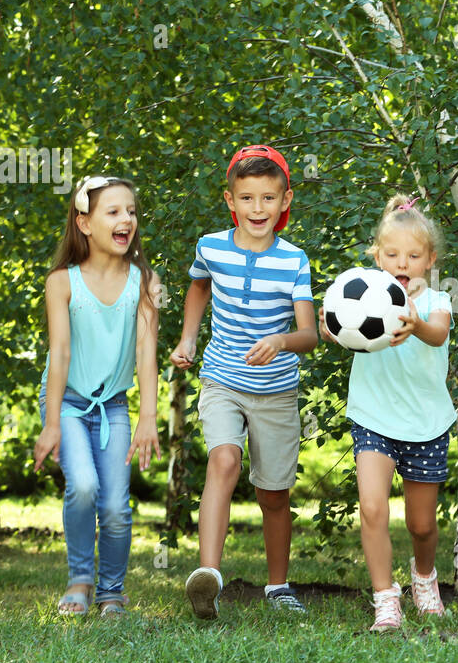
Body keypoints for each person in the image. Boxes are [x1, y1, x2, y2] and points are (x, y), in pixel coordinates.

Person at [171, 145, 318, 619]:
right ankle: (209, 579)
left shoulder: (294, 259)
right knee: (224, 460)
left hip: (276, 391)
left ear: (285, 200)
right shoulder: (210, 246)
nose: (259, 209)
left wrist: (280, 340)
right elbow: (199, 285)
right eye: (248, 198)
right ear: (230, 200)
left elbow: (310, 334)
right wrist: (189, 338)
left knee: (273, 495)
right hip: (222, 379)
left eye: (269, 199)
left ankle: (278, 586)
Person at [320, 195, 456, 632]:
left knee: (421, 525)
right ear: (377, 256)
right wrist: (332, 326)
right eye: (392, 254)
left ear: (430, 259)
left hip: (426, 423)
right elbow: (341, 330)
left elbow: (437, 335)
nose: (403, 262)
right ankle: (385, 598)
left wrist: (417, 325)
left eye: (414, 255)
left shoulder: (438, 299)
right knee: (373, 508)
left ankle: (423, 578)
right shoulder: (363, 296)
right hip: (374, 418)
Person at [34, 175, 162, 617]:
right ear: (84, 223)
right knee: (84, 486)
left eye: (131, 211)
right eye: (114, 211)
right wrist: (51, 424)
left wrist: (149, 416)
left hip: (114, 407)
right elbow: (61, 352)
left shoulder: (144, 281)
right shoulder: (62, 281)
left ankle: (111, 590)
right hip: (67, 404)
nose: (126, 219)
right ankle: (80, 579)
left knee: (114, 506)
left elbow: (147, 353)